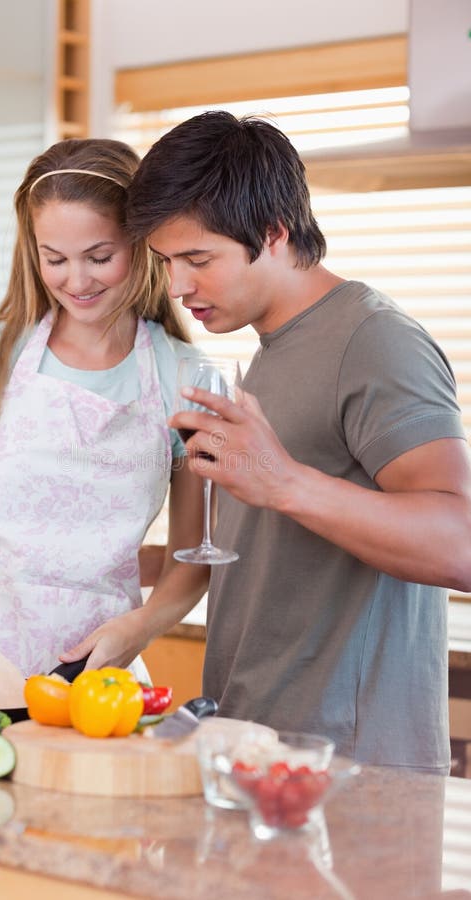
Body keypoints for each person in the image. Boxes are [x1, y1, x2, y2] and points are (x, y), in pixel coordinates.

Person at [120, 110, 471, 773]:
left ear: (274, 234)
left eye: (199, 259)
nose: (178, 286)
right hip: (256, 746)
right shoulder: (268, 349)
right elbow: (278, 552)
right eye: (165, 261)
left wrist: (281, 481)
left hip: (351, 768)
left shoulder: (375, 340)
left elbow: (460, 542)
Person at [0, 137, 208, 681]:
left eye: (100, 257)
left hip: (100, 673)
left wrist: (140, 627)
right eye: (55, 259)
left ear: (144, 243)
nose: (76, 281)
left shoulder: (184, 375)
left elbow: (191, 559)